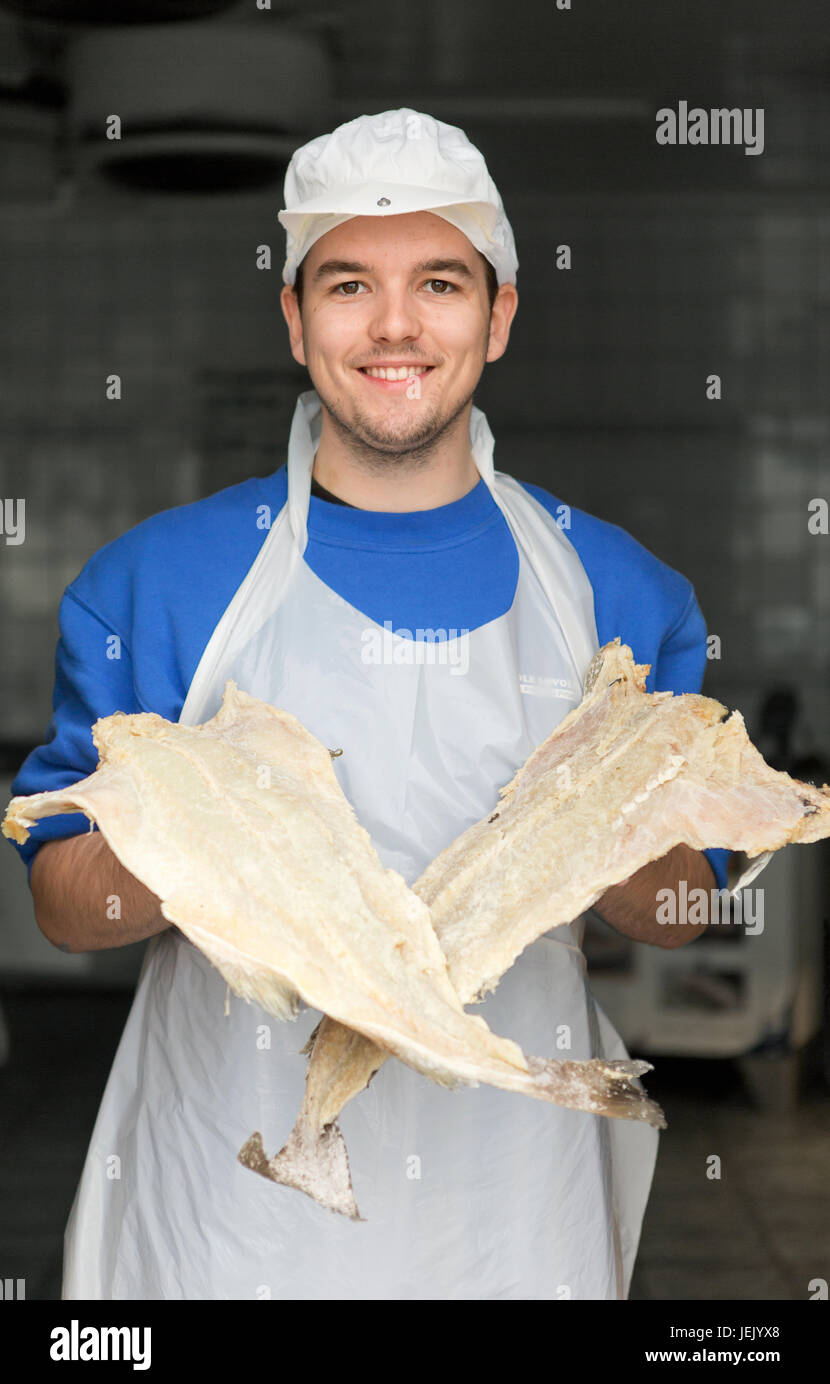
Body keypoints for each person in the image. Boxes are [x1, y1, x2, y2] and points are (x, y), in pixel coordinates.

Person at [10, 108, 728, 1300]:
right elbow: (61, 903)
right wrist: (192, 837)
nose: (394, 325)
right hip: (230, 1204)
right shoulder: (157, 582)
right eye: (348, 284)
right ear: (294, 318)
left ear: (497, 314)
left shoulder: (619, 591)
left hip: (511, 1201)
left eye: (438, 282)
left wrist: (586, 830)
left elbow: (682, 908)